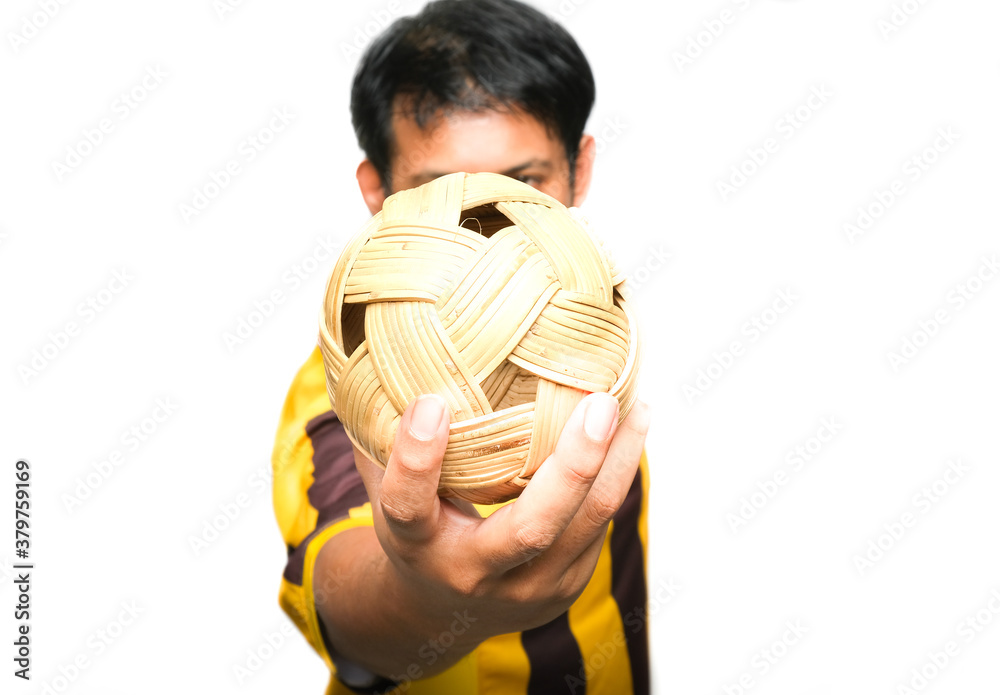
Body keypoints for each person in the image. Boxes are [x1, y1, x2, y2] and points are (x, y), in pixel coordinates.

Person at [271, 1, 651, 692]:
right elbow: (340, 580)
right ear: (378, 192)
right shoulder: (352, 381)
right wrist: (424, 602)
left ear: (580, 168)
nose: (486, 231)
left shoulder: (598, 332)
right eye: (438, 189)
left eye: (524, 183)